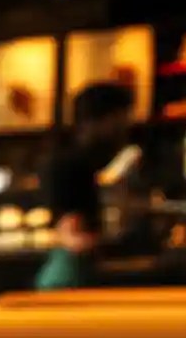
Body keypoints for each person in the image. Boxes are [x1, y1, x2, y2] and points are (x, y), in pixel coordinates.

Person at [35, 83, 137, 290]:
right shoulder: (70, 164)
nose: (126, 126)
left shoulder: (67, 158)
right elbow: (72, 234)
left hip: (63, 274)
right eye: (120, 119)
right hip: (68, 277)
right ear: (100, 120)